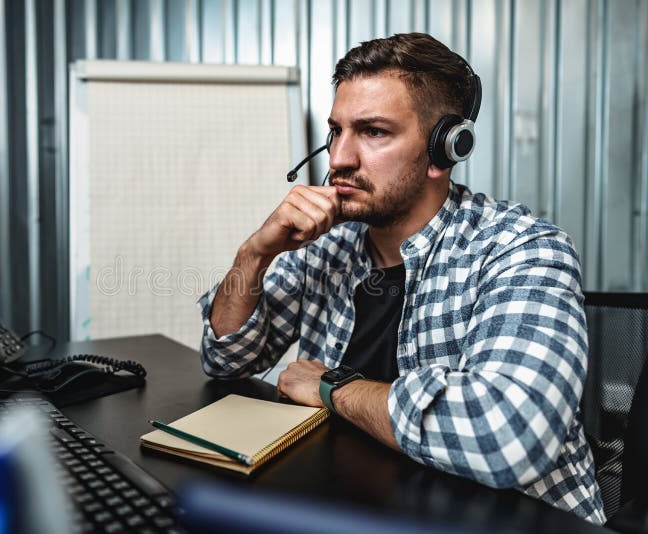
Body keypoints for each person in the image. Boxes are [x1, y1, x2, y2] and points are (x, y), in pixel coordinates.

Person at [196, 33, 604, 524]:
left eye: (372, 132)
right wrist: (254, 253)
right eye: (336, 130)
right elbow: (226, 359)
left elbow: (504, 436)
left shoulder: (520, 248)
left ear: (444, 149)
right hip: (364, 506)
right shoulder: (326, 245)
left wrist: (334, 387)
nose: (340, 158)